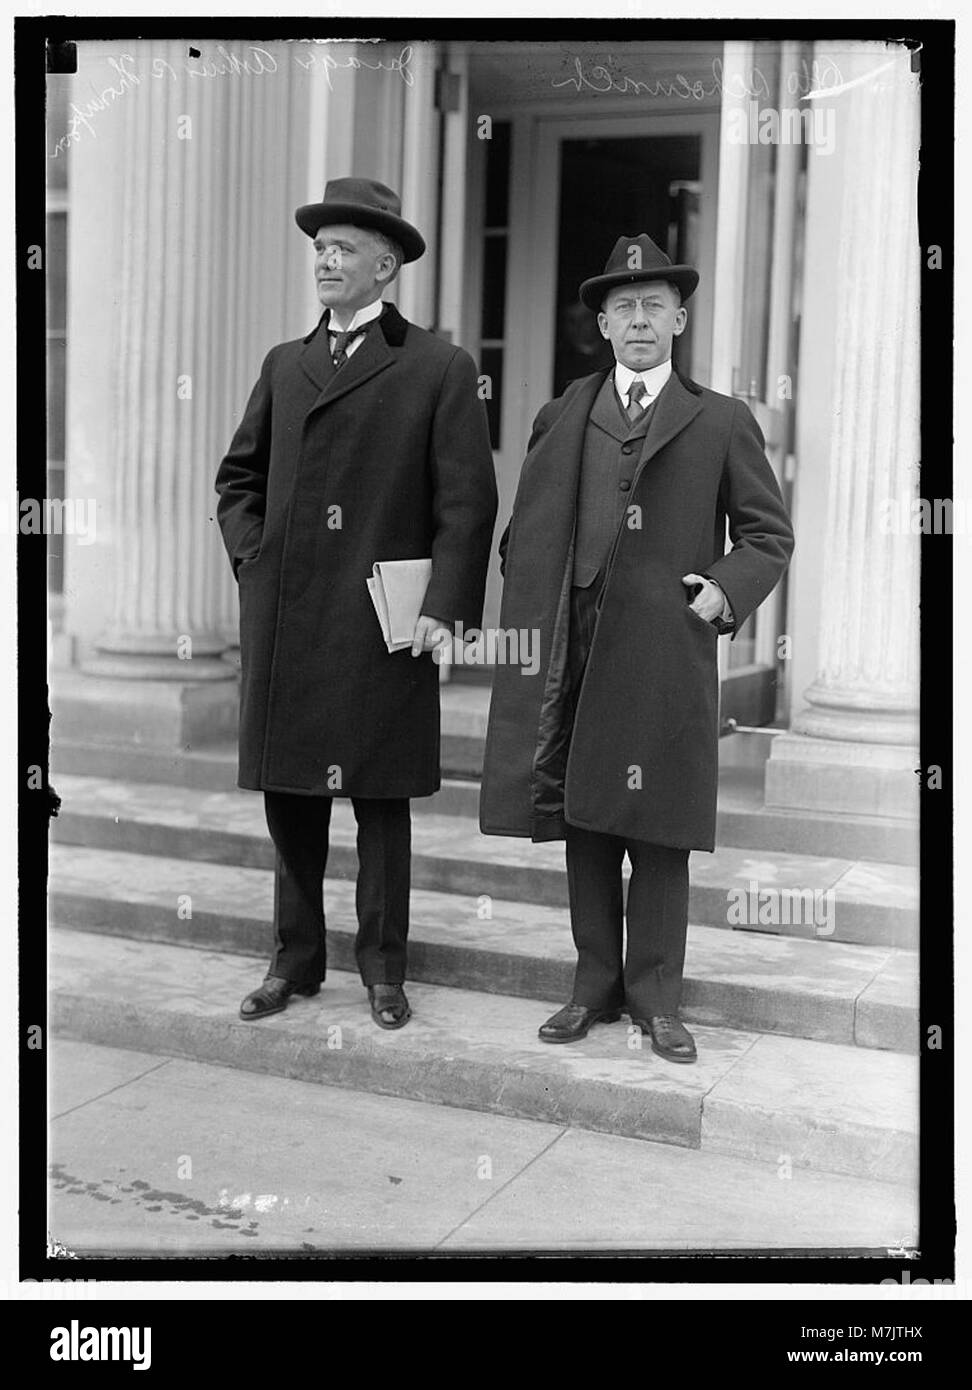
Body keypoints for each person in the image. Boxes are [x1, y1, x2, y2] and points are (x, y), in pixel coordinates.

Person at [479, 233, 793, 1063]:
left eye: (655, 305)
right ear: (603, 326)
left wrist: (722, 590)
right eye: (624, 308)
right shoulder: (565, 411)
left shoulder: (721, 419)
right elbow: (522, 533)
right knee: (586, 815)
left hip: (664, 649)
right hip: (574, 647)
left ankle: (657, 998)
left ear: (679, 319)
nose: (640, 320)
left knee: (658, 824)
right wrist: (543, 592)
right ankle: (592, 987)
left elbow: (766, 535)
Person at [216, 177, 497, 1030]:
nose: (325, 262)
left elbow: (467, 504)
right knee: (289, 796)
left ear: (386, 265)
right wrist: (255, 560)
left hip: (386, 620)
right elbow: (239, 479)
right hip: (291, 616)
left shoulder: (439, 367)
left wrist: (445, 610)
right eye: (318, 249)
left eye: (343, 250)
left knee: (380, 798)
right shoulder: (283, 363)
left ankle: (382, 969)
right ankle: (295, 961)